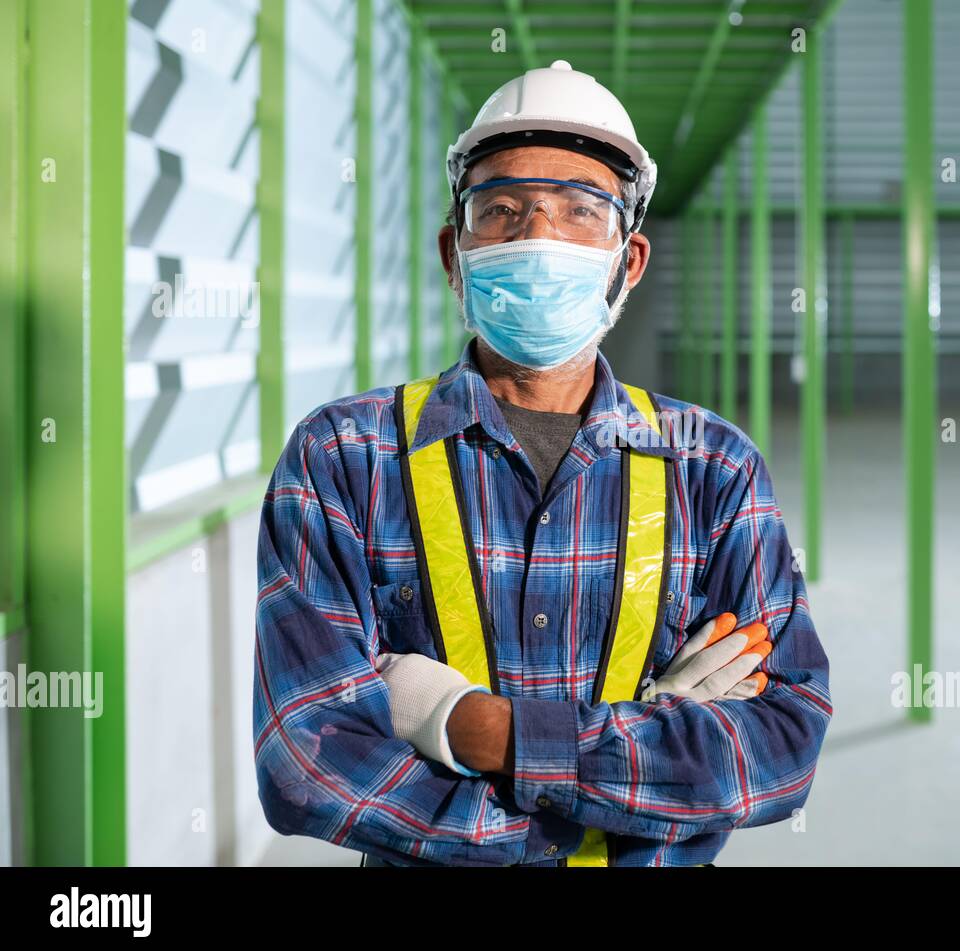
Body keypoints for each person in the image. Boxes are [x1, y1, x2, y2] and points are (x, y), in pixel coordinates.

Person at [253, 60, 831, 866]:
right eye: (502, 210)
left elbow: (780, 745)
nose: (537, 237)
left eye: (579, 211)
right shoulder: (345, 457)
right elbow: (306, 763)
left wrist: (470, 726)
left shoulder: (715, 469)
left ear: (626, 262)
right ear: (456, 254)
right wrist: (620, 782)